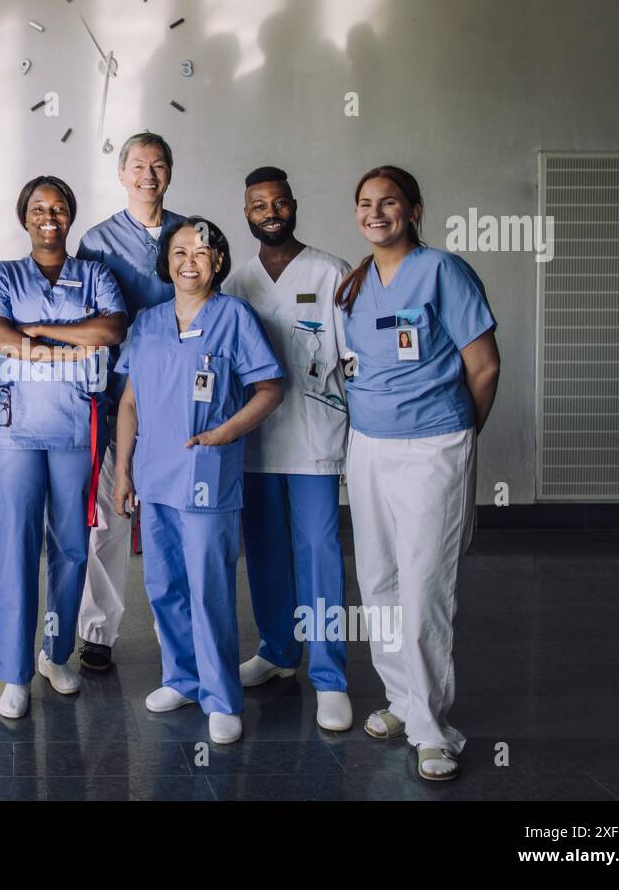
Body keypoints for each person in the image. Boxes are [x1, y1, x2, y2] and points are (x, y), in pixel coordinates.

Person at [338, 165, 500, 781]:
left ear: (414, 209)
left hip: (433, 447)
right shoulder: (358, 283)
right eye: (365, 203)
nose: (375, 212)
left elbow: (483, 368)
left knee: (424, 585)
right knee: (378, 581)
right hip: (369, 445)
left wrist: (458, 436)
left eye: (389, 202)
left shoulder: (444, 271)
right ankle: (403, 701)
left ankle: (435, 730)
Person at [113, 216, 284, 744]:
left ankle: (221, 696)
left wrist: (224, 433)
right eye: (180, 250)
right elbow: (130, 402)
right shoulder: (147, 322)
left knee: (209, 587)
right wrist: (121, 470)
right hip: (154, 476)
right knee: (164, 585)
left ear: (219, 263)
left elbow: (270, 388)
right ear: (166, 261)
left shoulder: (235, 316)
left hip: (207, 473)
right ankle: (182, 678)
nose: (190, 259)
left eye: (202, 251)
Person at [0, 176, 126, 719]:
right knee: (15, 544)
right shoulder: (4, 275)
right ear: (24, 217)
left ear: (70, 217)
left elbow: (110, 330)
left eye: (59, 208)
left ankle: (55, 654)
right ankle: (14, 672)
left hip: (77, 427)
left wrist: (38, 334)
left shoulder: (96, 274)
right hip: (14, 429)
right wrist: (68, 347)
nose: (49, 216)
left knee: (69, 545)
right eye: (39, 208)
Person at [223, 166, 354, 732]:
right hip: (253, 441)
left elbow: (353, 361)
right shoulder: (235, 283)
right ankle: (278, 650)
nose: (270, 212)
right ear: (246, 213)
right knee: (267, 552)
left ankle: (329, 676)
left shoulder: (330, 272)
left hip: (314, 437)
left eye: (279, 202)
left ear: (294, 206)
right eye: (258, 205)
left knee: (320, 553)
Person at [75, 131, 187, 672]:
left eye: (158, 165)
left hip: (178, 400)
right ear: (121, 175)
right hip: (115, 395)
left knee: (176, 519)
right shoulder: (97, 240)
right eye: (138, 165)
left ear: (170, 173)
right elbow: (88, 319)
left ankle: (183, 639)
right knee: (107, 518)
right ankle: (96, 632)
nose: (148, 174)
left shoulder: (189, 235)